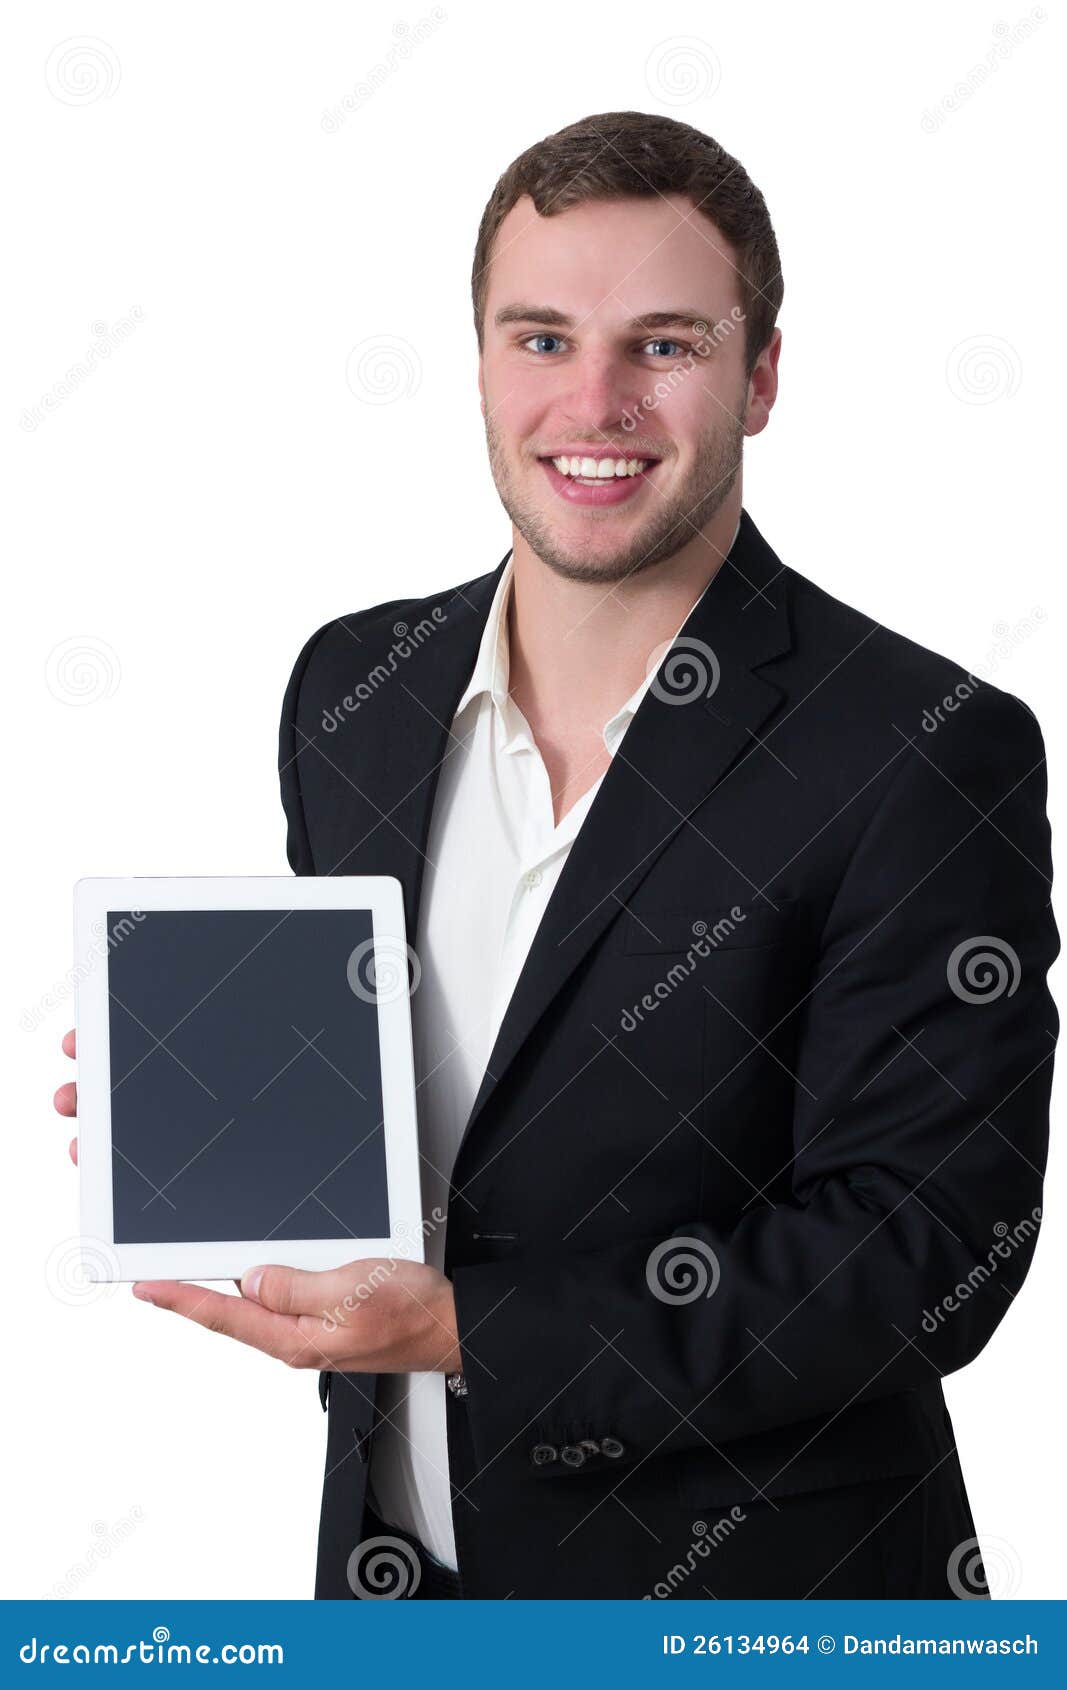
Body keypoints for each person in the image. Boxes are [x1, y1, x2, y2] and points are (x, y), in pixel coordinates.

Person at [55, 111, 1057, 1600]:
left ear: (760, 376)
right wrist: (228, 1126)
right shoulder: (358, 689)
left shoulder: (921, 743)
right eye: (540, 338)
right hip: (393, 1593)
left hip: (757, 1599)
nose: (594, 400)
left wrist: (461, 1328)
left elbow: (913, 1255)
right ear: (477, 362)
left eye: (664, 345)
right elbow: (427, 1114)